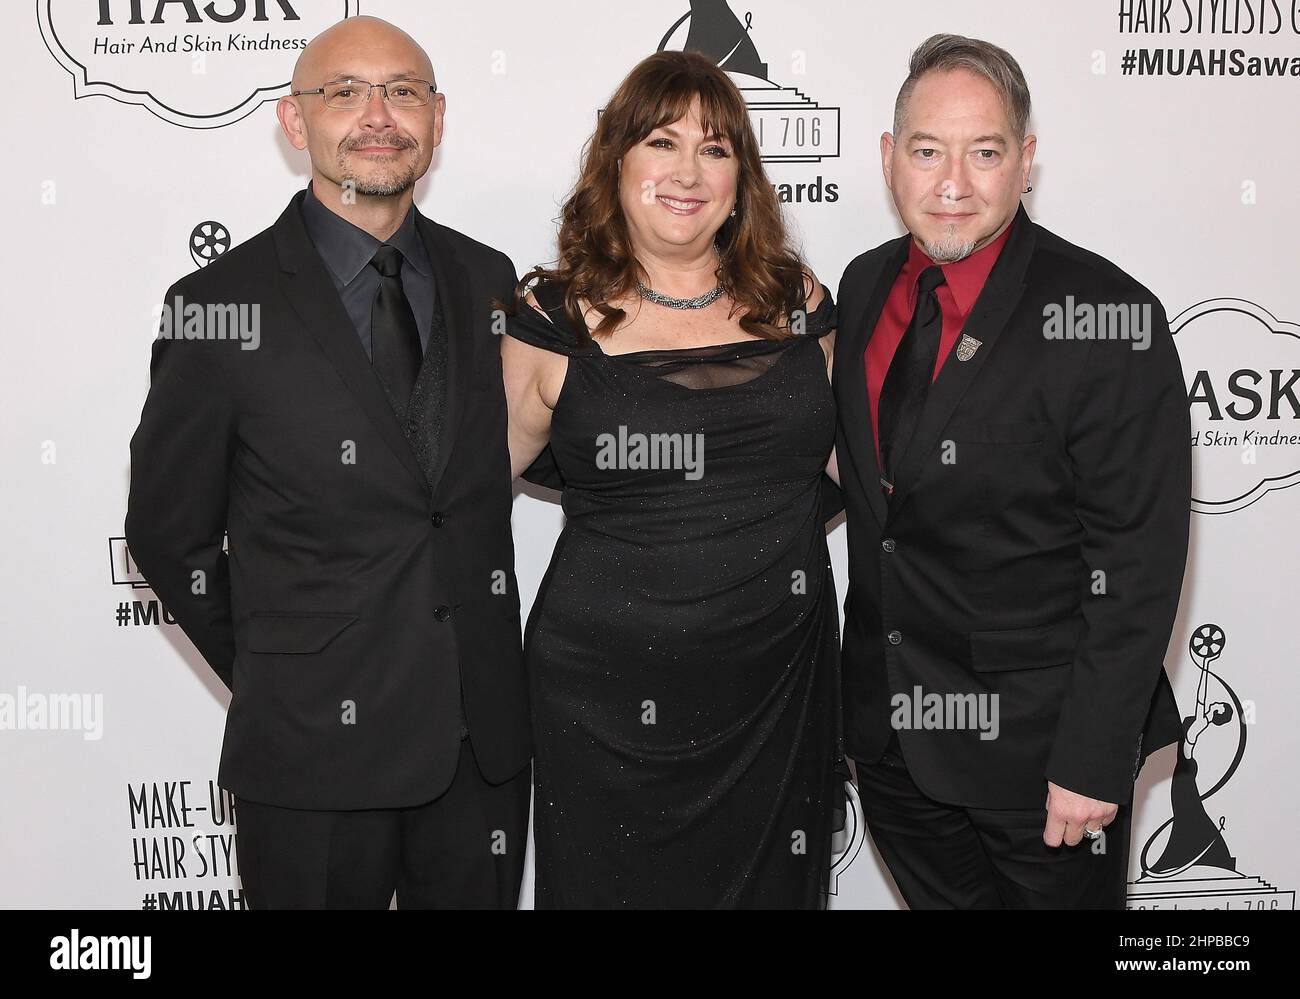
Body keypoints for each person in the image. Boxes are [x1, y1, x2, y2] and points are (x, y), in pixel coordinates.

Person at [124, 16, 531, 909]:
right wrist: (287, 667)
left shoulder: (490, 279)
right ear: (292, 120)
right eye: (344, 92)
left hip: (481, 752)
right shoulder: (216, 305)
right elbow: (166, 533)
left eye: (404, 91)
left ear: (439, 115)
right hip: (308, 756)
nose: (378, 114)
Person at [830, 33, 1190, 908]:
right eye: (927, 151)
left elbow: (1137, 566)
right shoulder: (865, 284)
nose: (952, 181)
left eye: (984, 152)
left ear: (1026, 162)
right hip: (891, 749)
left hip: (1043, 771)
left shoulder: (1107, 314)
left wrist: (1093, 759)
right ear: (889, 160)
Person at [501, 50, 844, 908]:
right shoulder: (551, 317)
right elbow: (462, 498)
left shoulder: (799, 301)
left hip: (779, 679)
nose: (688, 171)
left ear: (742, 179)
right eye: (663, 142)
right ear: (617, 162)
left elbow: (854, 471)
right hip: (605, 694)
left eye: (717, 148)